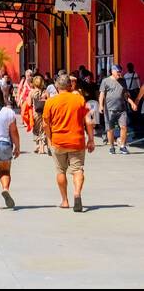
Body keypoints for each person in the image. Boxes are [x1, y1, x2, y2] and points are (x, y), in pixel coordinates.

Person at [43, 72, 95, 212]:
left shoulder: (50, 102)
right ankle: (77, 193)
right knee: (78, 170)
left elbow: (45, 124)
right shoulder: (80, 100)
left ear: (56, 86)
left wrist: (49, 140)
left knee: (61, 171)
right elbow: (89, 121)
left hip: (58, 141)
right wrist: (91, 139)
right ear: (69, 85)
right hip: (77, 141)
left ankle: (65, 201)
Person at [99, 66, 132, 154]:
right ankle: (111, 146)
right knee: (110, 129)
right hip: (109, 109)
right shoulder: (105, 81)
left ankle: (122, 146)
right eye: (118, 71)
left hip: (122, 109)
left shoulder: (123, 81)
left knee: (124, 127)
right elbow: (102, 94)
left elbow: (125, 94)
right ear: (112, 71)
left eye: (120, 71)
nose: (119, 73)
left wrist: (132, 103)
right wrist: (101, 106)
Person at [29, 74, 49, 155]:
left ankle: (37, 145)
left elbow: (29, 103)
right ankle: (42, 148)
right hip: (44, 112)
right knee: (43, 128)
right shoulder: (45, 92)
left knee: (36, 128)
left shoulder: (32, 92)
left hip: (35, 113)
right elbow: (49, 101)